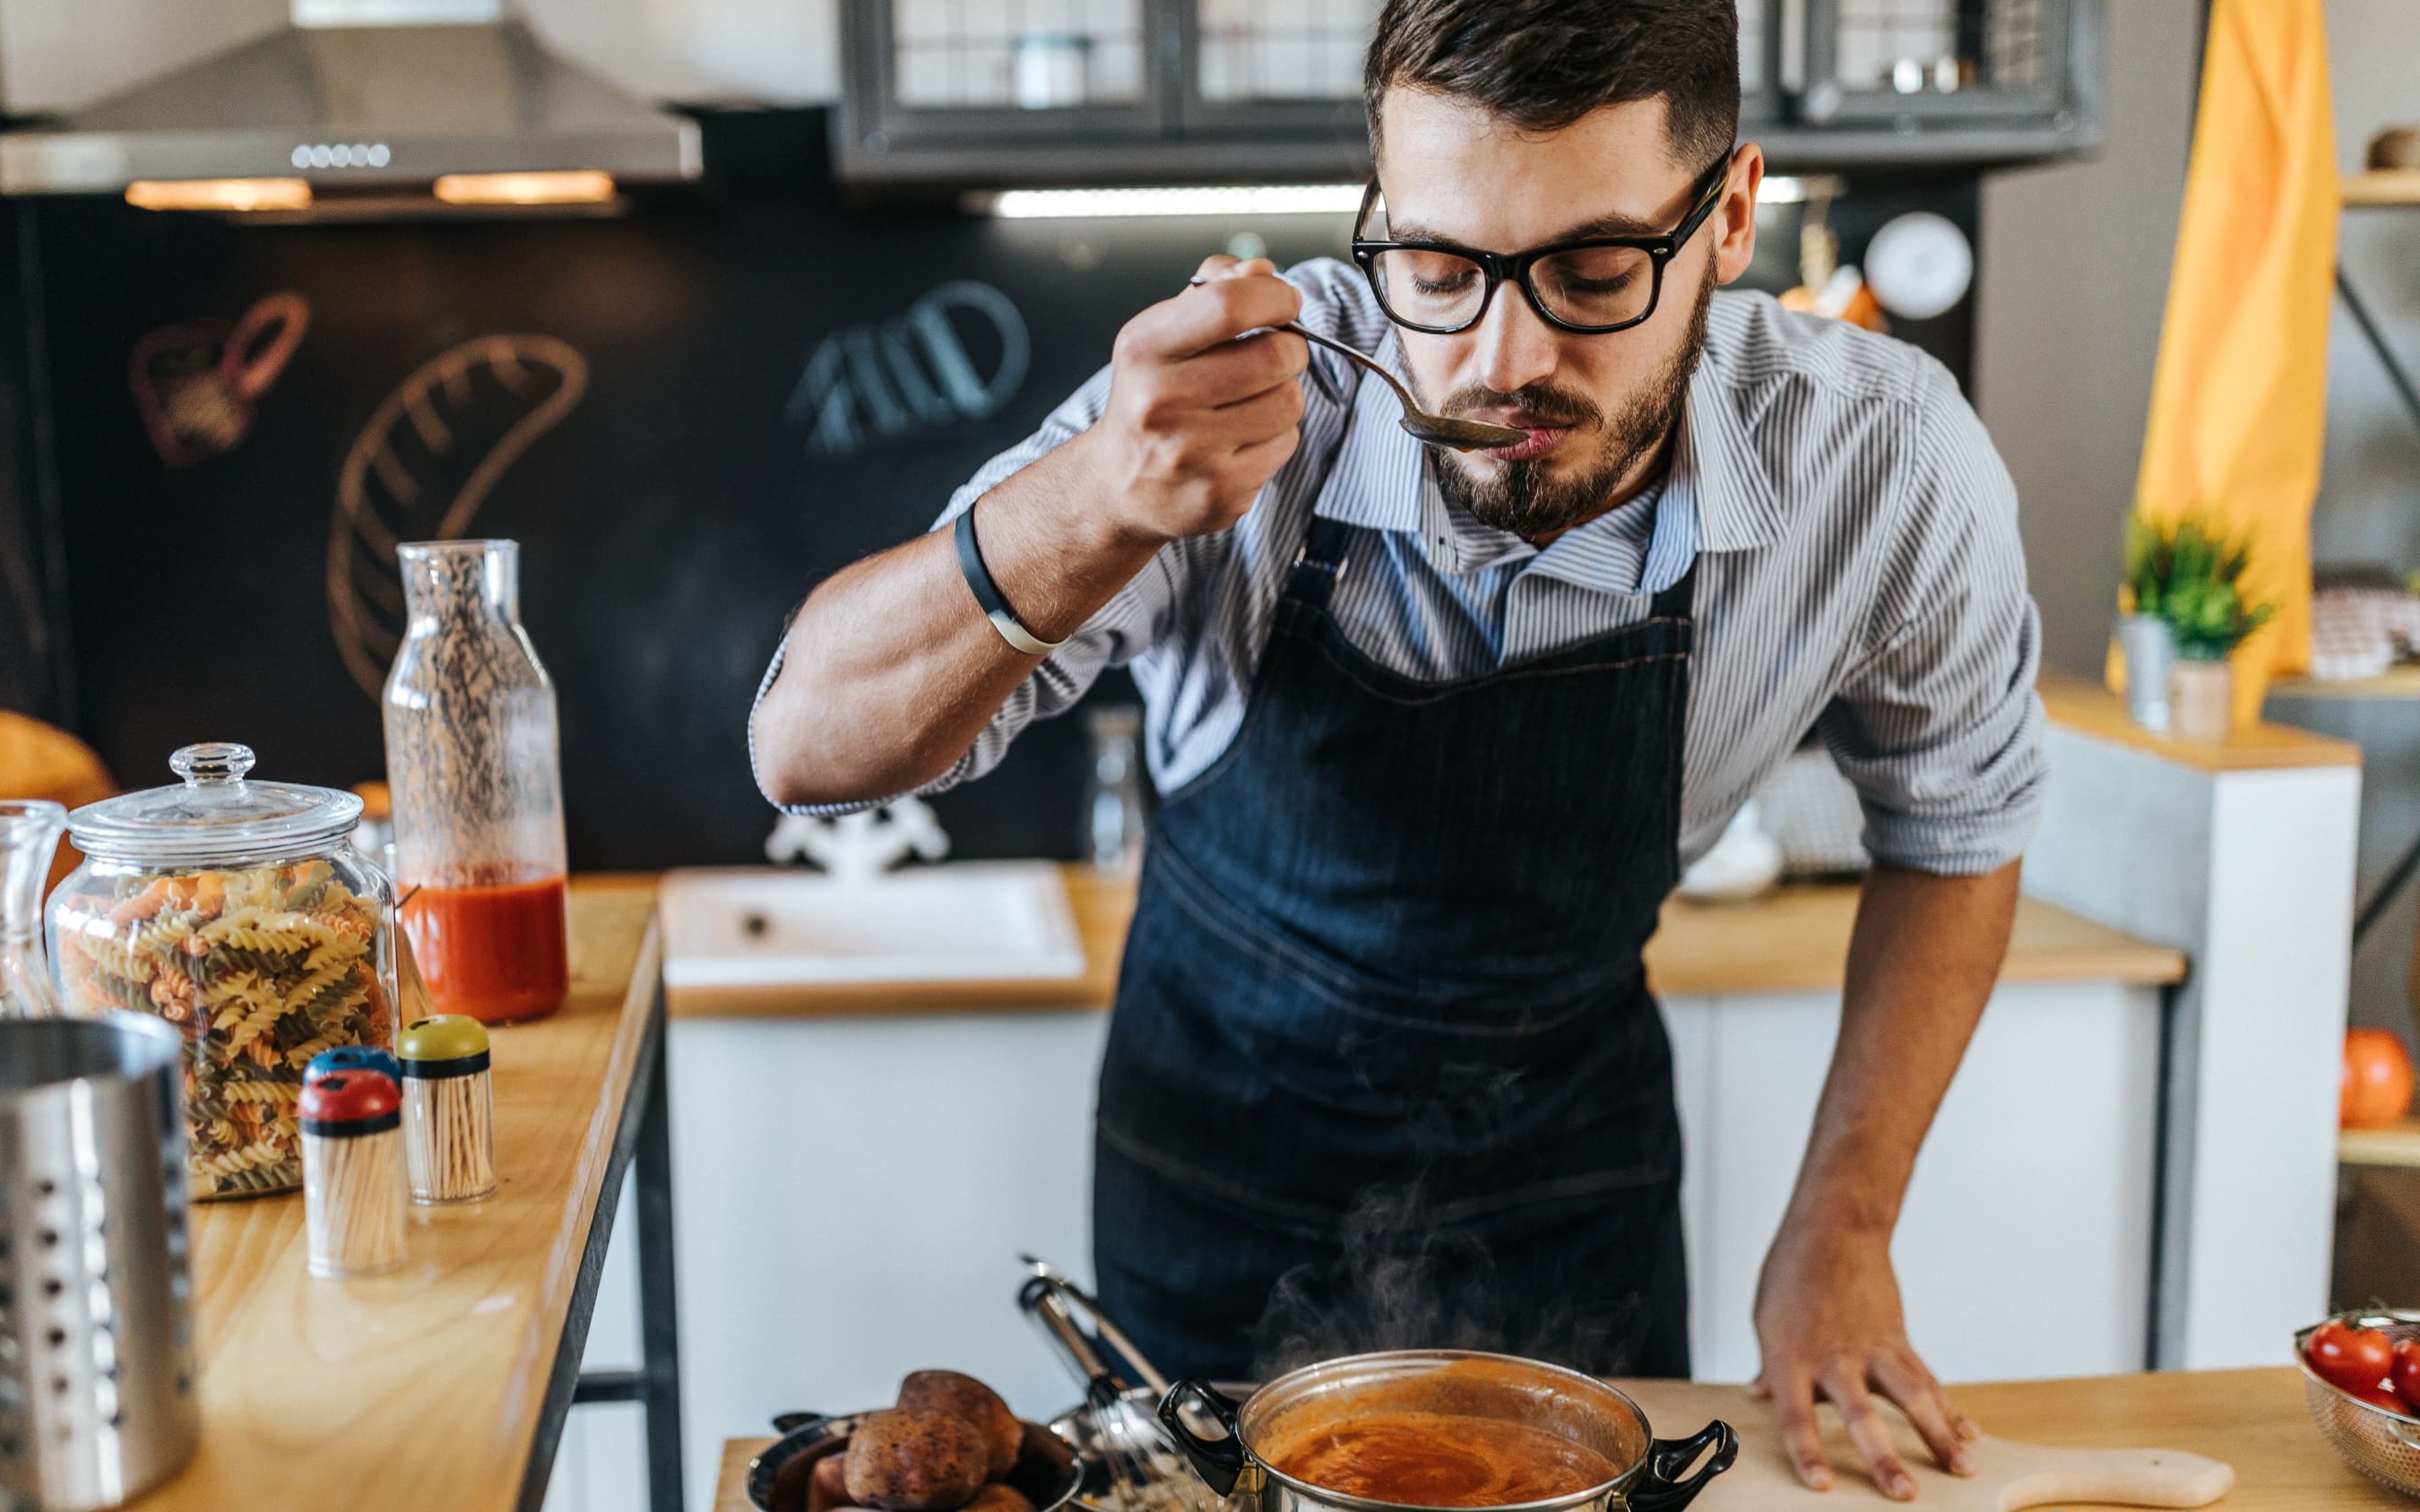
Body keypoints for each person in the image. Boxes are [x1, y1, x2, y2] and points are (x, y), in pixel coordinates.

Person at [750, 0, 2040, 1497]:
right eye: (1436, 268)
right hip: (1216, 1180)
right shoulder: (1245, 400)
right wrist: (1092, 498)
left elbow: (1957, 829)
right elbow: (806, 746)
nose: (1504, 356)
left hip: (1574, 1190)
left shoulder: (1881, 462)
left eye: (1595, 272)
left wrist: (1846, 1224)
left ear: (1732, 217)